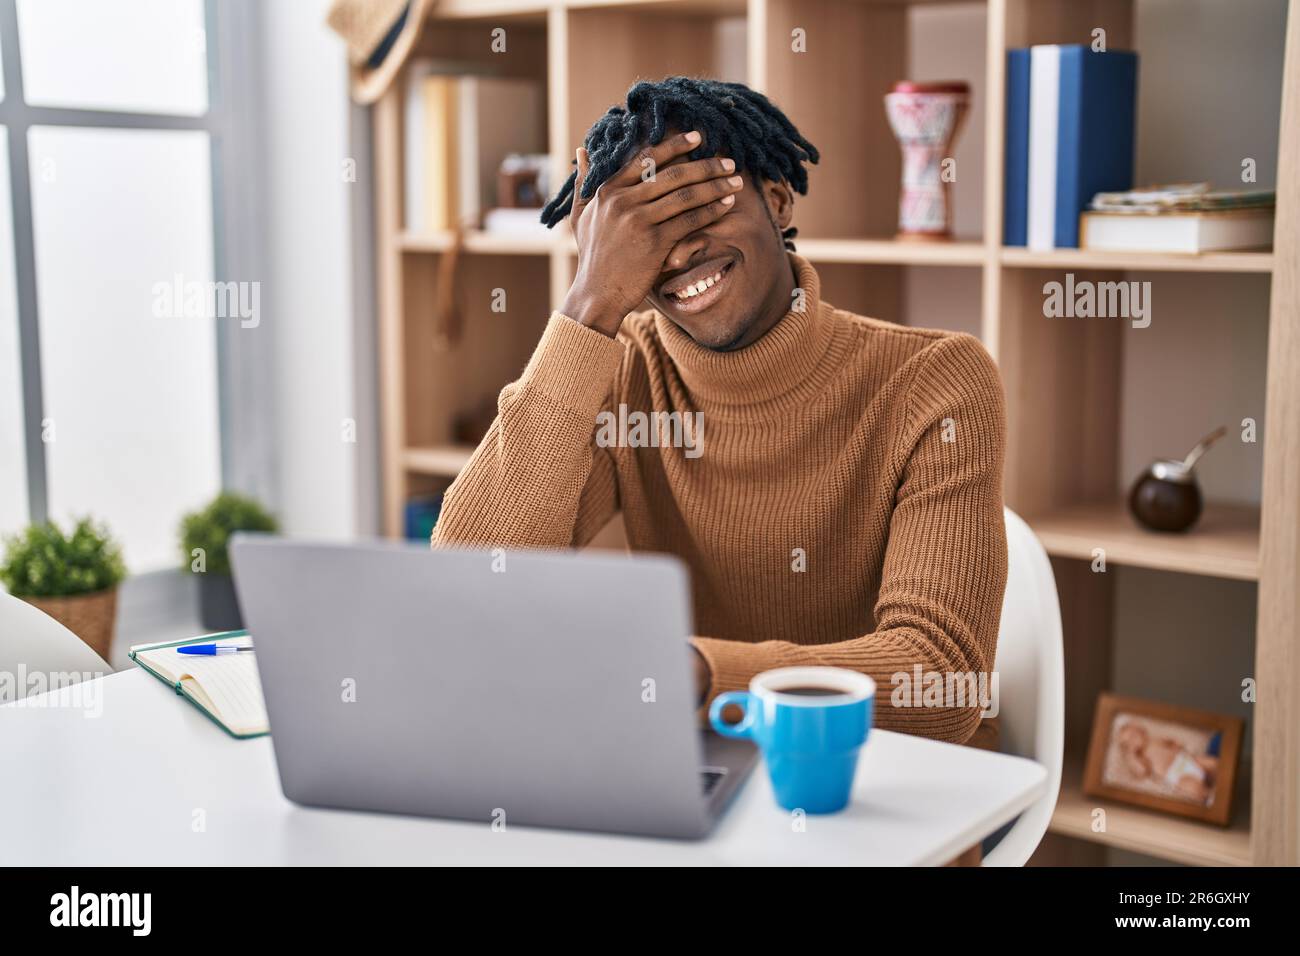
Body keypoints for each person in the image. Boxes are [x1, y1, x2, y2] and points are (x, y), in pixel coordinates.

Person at [432, 77, 1007, 745]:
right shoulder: (622, 370)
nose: (677, 254)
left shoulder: (935, 382)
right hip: (697, 778)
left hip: (880, 792)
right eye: (641, 236)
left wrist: (702, 673)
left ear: (778, 199)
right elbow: (471, 581)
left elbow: (941, 680)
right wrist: (589, 305)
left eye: (697, 211)